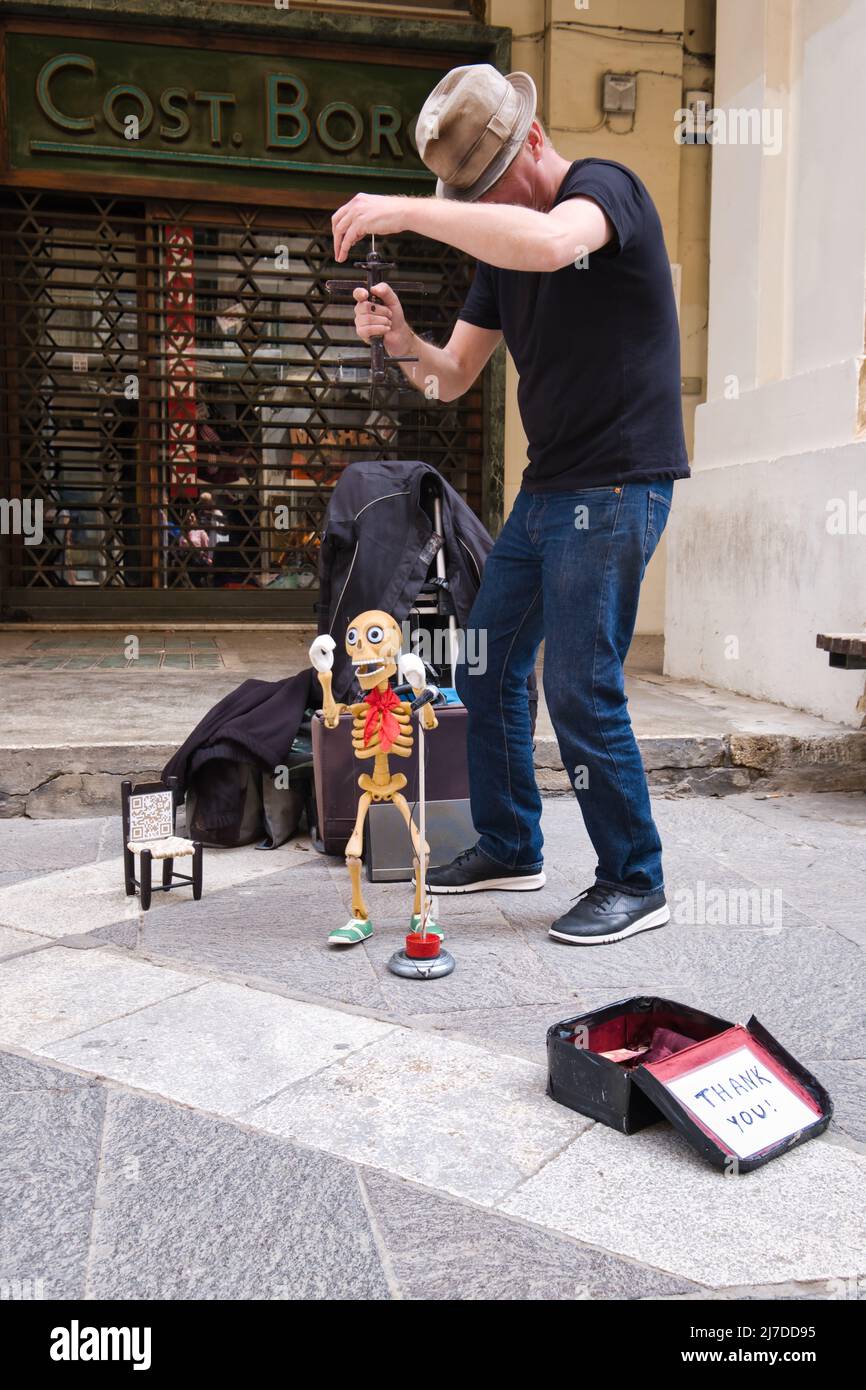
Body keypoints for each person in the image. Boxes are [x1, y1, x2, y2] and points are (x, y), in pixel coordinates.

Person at [331, 64, 689, 946]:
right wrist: (405, 338)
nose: (491, 204)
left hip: (615, 485)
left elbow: (553, 240)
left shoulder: (604, 189)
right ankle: (509, 842)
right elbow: (450, 378)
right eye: (471, 194)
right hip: (550, 491)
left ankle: (635, 879)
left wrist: (410, 210)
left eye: (492, 185)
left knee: (580, 685)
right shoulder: (502, 252)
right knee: (484, 663)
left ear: (532, 137)